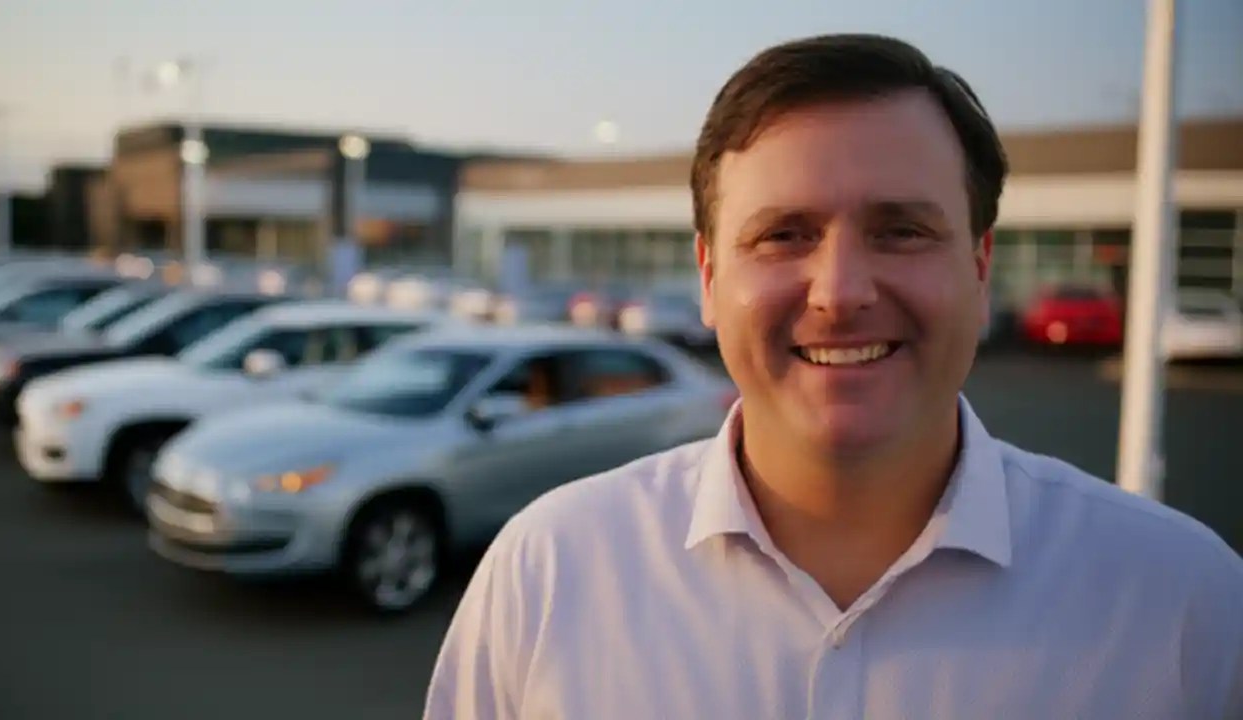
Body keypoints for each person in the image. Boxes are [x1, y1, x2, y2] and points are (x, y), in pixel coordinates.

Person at [424, 34, 1243, 719]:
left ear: (980, 266)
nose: (842, 292)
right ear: (709, 279)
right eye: (784, 234)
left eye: (902, 230)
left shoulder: (1183, 606)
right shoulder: (550, 572)